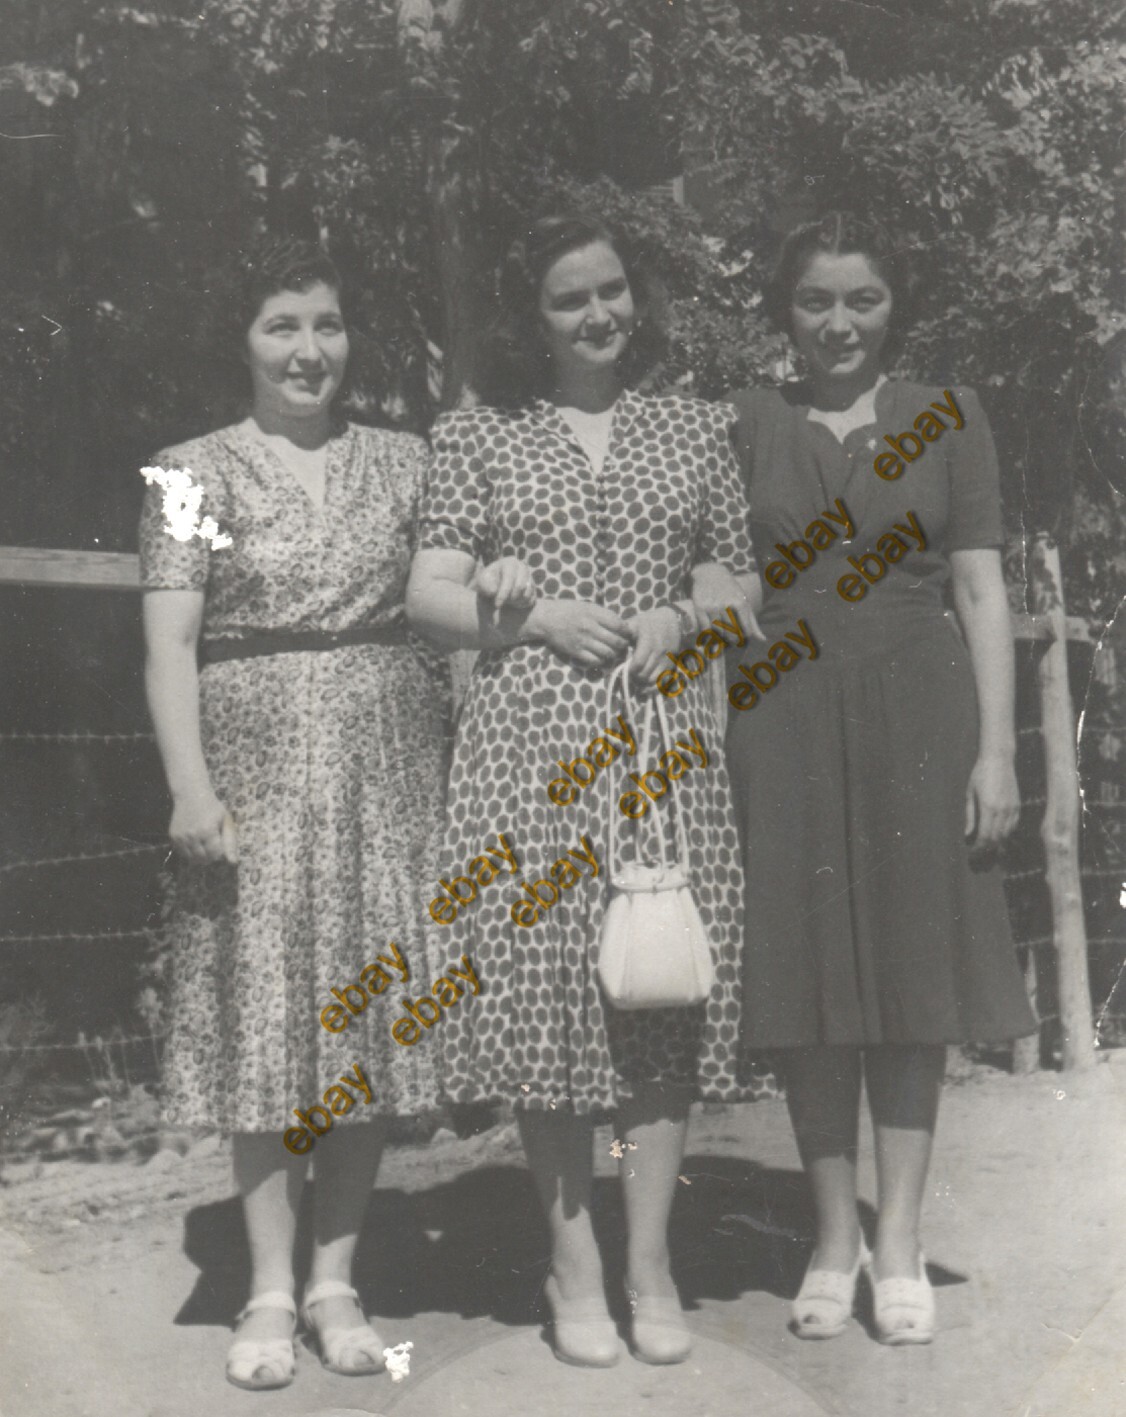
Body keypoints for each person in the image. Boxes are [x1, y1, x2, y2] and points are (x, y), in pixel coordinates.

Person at [139, 237, 520, 1391]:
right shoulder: (185, 473)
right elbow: (169, 643)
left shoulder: (408, 461)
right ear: (242, 344)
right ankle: (262, 1289)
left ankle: (336, 1282)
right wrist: (189, 785)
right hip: (252, 770)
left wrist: (502, 587)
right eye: (282, 327)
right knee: (268, 1022)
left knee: (364, 1025)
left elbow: (459, 589)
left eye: (327, 325)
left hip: (389, 764)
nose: (310, 351)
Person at [406, 212, 757, 1368]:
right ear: (534, 317)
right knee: (552, 992)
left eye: (610, 291)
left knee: (659, 993)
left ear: (635, 298)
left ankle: (650, 1261)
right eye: (570, 300)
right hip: (532, 745)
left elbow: (735, 592)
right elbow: (430, 595)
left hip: (660, 745)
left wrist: (676, 618)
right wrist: (525, 607)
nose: (598, 314)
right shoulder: (477, 434)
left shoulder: (694, 429)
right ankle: (573, 1269)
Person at [723, 211, 1037, 1346]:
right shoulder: (746, 422)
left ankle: (897, 1240)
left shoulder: (944, 418)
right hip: (785, 712)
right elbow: (705, 561)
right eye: (816, 301)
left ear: (891, 306)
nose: (839, 323)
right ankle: (831, 1238)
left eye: (861, 299)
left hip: (919, 709)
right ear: (785, 310)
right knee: (809, 980)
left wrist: (997, 749)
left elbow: (980, 589)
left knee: (909, 973)